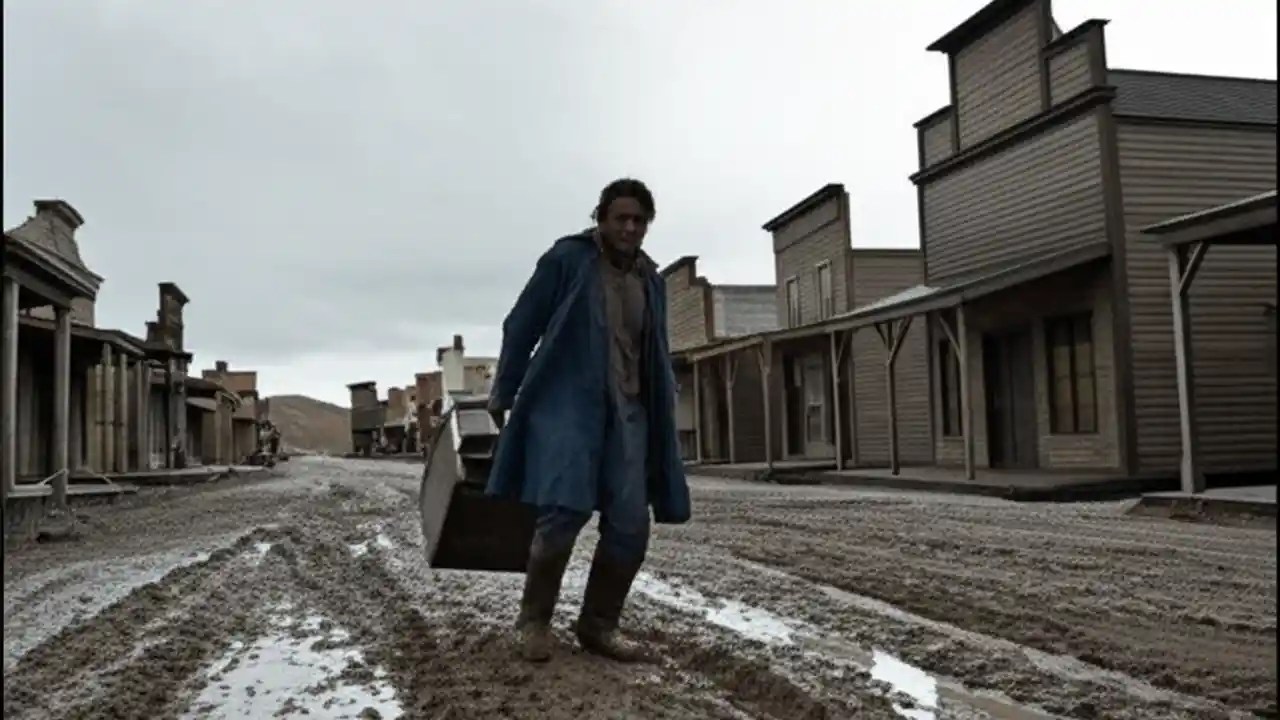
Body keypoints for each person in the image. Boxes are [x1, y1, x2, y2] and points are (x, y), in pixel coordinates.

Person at [487, 178, 690, 664]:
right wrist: (505, 390)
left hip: (630, 413)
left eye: (639, 220)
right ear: (600, 218)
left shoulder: (651, 280)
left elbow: (654, 350)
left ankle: (598, 624)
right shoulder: (568, 259)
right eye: (620, 217)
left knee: (629, 526)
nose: (629, 227)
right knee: (563, 512)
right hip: (570, 406)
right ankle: (533, 622)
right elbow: (521, 325)